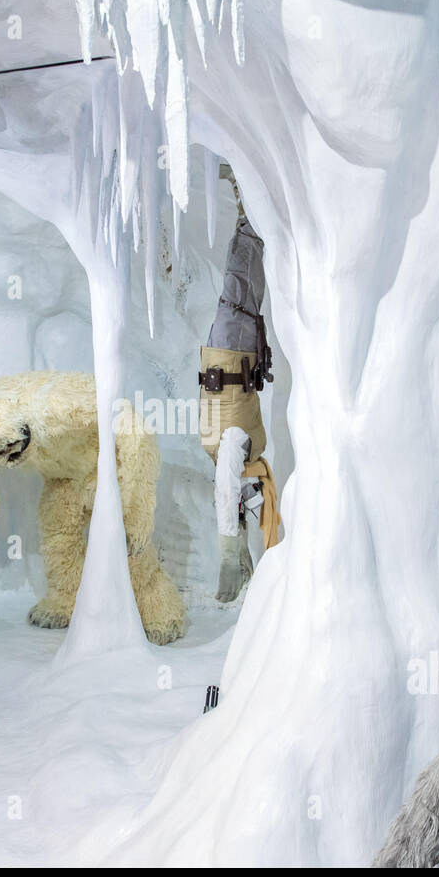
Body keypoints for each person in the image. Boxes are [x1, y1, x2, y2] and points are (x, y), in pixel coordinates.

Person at [198, 166, 281, 602]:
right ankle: (251, 191)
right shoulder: (236, 445)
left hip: (227, 349)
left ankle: (247, 194)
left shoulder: (233, 445)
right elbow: (227, 487)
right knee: (241, 272)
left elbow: (228, 488)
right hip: (233, 345)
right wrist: (230, 551)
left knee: (239, 278)